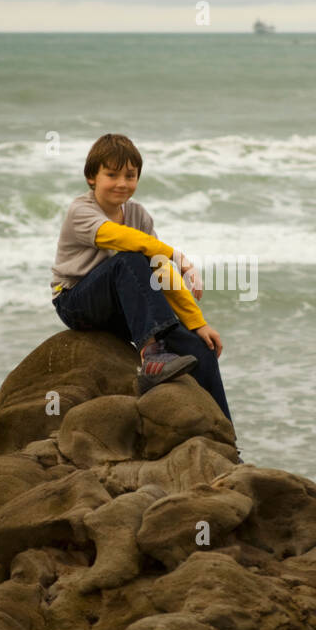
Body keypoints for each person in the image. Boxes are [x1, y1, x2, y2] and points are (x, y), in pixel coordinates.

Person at [50, 132, 235, 428]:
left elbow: (160, 271)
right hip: (77, 301)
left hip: (128, 305)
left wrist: (198, 323)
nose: (122, 183)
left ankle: (225, 435)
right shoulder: (81, 211)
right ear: (91, 177)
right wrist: (177, 254)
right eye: (111, 174)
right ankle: (152, 356)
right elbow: (123, 239)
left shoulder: (138, 214)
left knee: (201, 349)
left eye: (130, 175)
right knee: (130, 257)